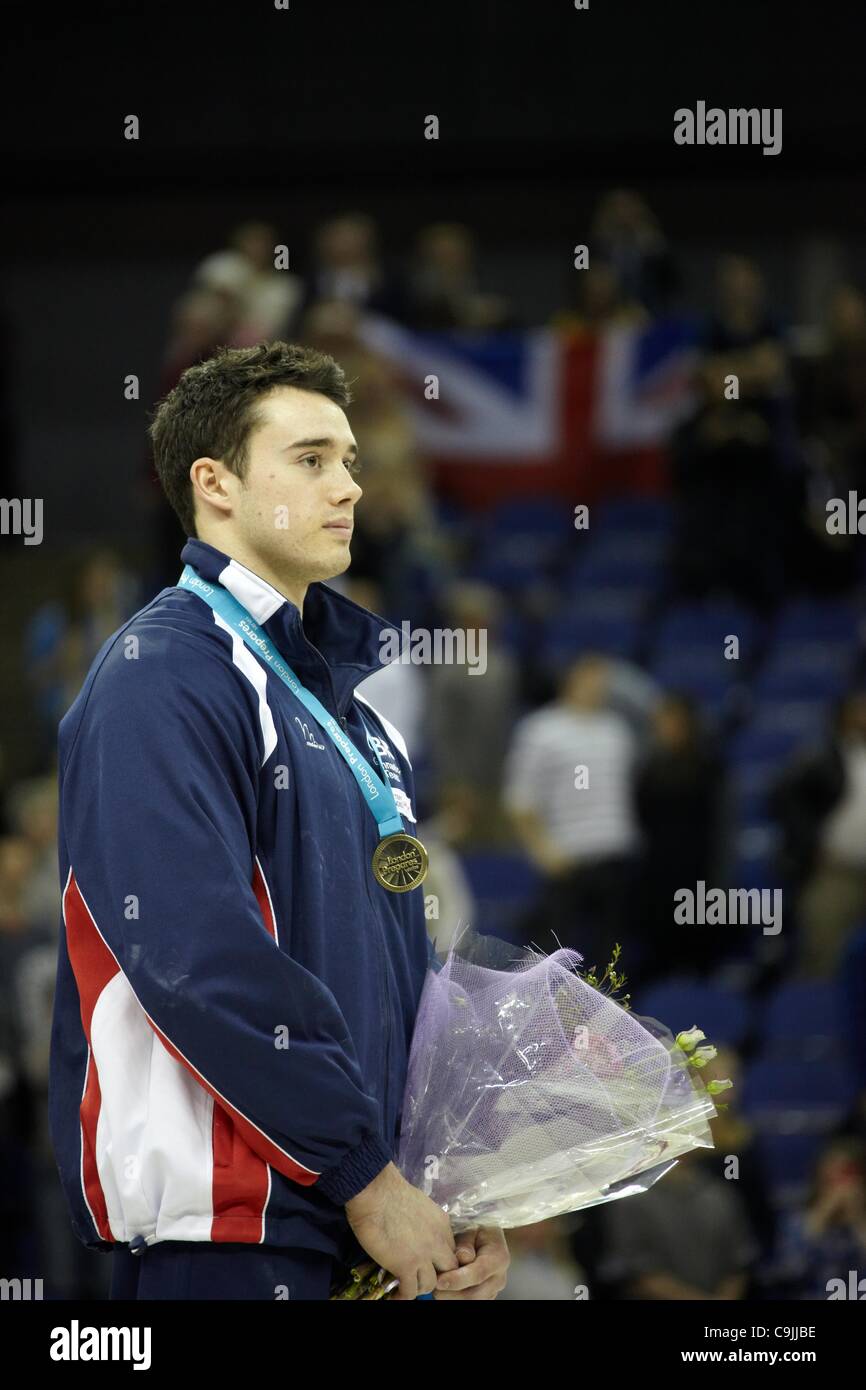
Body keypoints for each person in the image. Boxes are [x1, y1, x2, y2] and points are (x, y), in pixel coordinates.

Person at [48, 340, 508, 1302]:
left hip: (356, 1224)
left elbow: (399, 967)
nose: (348, 486)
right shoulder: (165, 675)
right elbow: (195, 953)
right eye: (310, 460)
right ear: (214, 484)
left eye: (349, 461)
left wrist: (443, 1186)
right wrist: (363, 1173)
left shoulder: (357, 714)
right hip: (231, 1236)